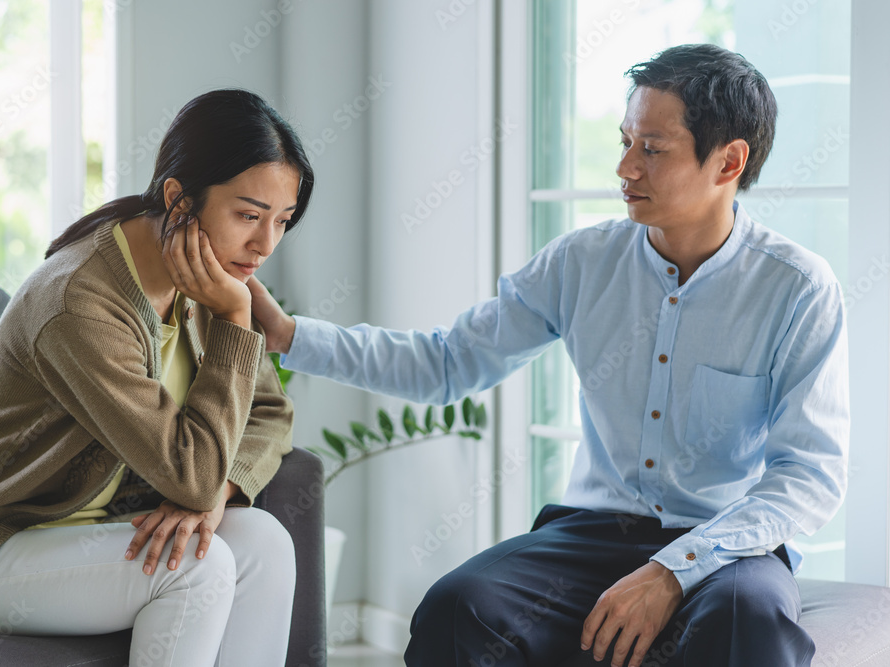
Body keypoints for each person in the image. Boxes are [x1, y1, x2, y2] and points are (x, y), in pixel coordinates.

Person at [249, 44, 848, 667]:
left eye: (651, 149)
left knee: (747, 620)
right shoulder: (580, 262)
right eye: (625, 141)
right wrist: (289, 334)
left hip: (728, 546)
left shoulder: (797, 287)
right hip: (592, 534)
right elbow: (448, 363)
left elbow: (809, 475)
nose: (625, 167)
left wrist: (674, 570)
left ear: (729, 162)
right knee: (457, 606)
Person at [0, 89, 314, 666]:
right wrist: (233, 319)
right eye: (248, 216)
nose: (265, 245)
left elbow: (270, 413)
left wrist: (218, 495)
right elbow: (190, 477)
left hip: (95, 534)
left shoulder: (210, 278)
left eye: (282, 221)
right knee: (194, 567)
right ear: (178, 199)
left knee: (264, 541)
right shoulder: (82, 302)